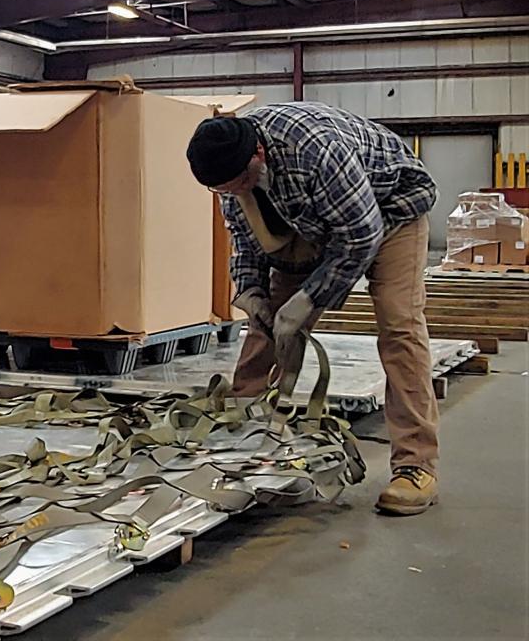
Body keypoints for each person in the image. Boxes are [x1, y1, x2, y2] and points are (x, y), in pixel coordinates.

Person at [186, 102, 440, 516]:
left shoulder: (316, 150)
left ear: (259, 155)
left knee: (399, 326)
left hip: (391, 214)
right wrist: (251, 294)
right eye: (223, 189)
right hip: (314, 221)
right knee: (268, 323)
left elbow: (361, 236)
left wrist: (309, 300)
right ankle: (243, 434)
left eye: (239, 182)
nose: (232, 193)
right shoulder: (230, 174)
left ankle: (415, 467)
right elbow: (248, 241)